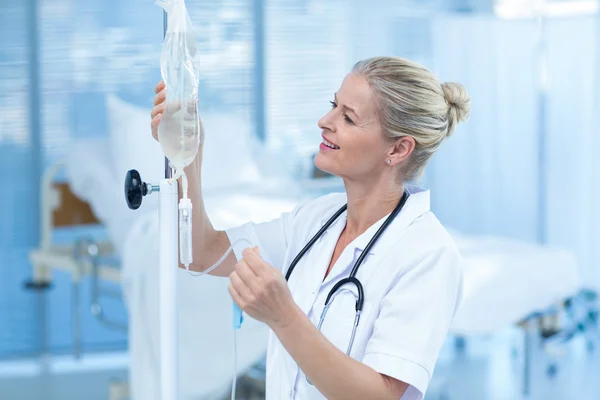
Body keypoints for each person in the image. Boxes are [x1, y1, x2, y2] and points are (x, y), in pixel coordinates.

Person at [150, 56, 470, 400]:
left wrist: (284, 316)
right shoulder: (317, 219)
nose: (325, 121)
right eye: (333, 105)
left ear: (398, 148)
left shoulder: (427, 253)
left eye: (347, 117)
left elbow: (382, 395)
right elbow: (199, 253)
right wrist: (187, 155)